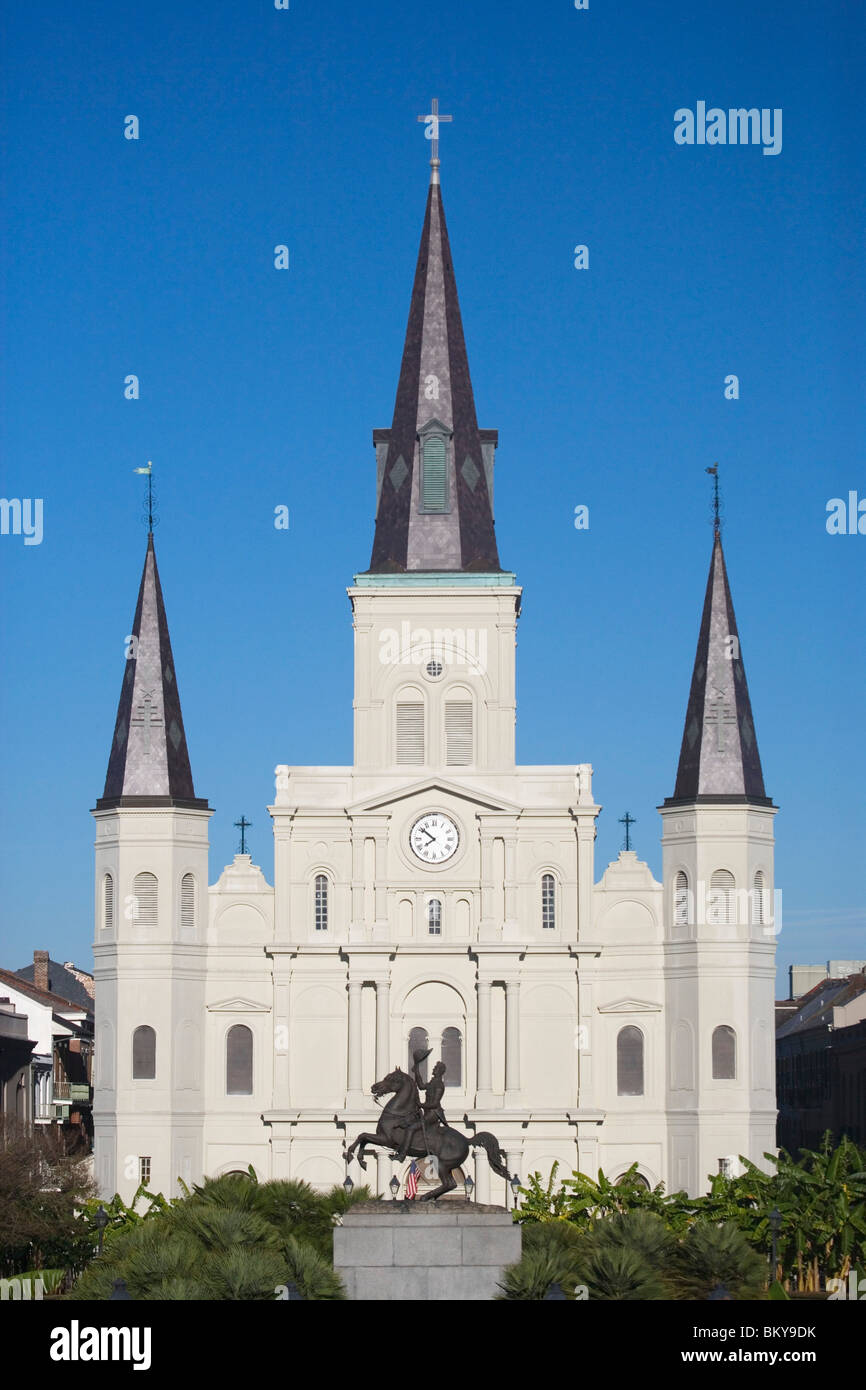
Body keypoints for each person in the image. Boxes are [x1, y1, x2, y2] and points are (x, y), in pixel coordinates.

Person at [395, 1050, 447, 1162]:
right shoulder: (433, 1083)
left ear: (440, 1071)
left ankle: (402, 1154)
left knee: (411, 1128)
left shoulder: (439, 1085)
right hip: (427, 1112)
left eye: (435, 1068)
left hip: (433, 1114)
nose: (433, 1069)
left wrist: (421, 1104)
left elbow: (434, 1103)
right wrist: (416, 1070)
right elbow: (421, 1086)